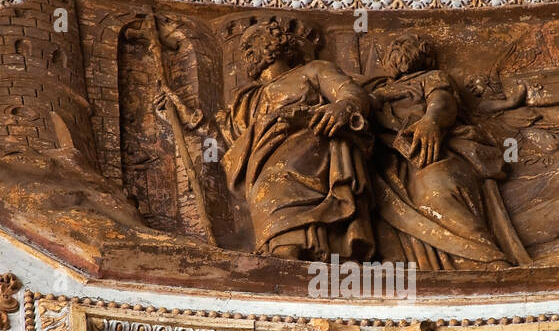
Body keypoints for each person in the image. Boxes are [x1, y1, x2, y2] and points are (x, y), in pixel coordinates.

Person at [365, 35, 531, 270]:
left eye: (405, 46)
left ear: (422, 55)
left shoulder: (432, 77)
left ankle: (488, 258)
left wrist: (431, 122)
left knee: (438, 191)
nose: (397, 50)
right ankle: (420, 267)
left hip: (437, 149)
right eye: (393, 48)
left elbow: (442, 101)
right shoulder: (379, 91)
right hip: (394, 158)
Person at [219, 19, 374, 261]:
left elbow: (350, 93)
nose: (246, 50)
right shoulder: (247, 99)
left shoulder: (312, 71)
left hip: (309, 145)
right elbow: (229, 138)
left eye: (253, 40)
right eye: (244, 47)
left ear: (278, 41)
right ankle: (284, 258)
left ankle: (288, 259)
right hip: (263, 159)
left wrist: (344, 107)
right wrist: (184, 116)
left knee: (276, 185)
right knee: (266, 189)